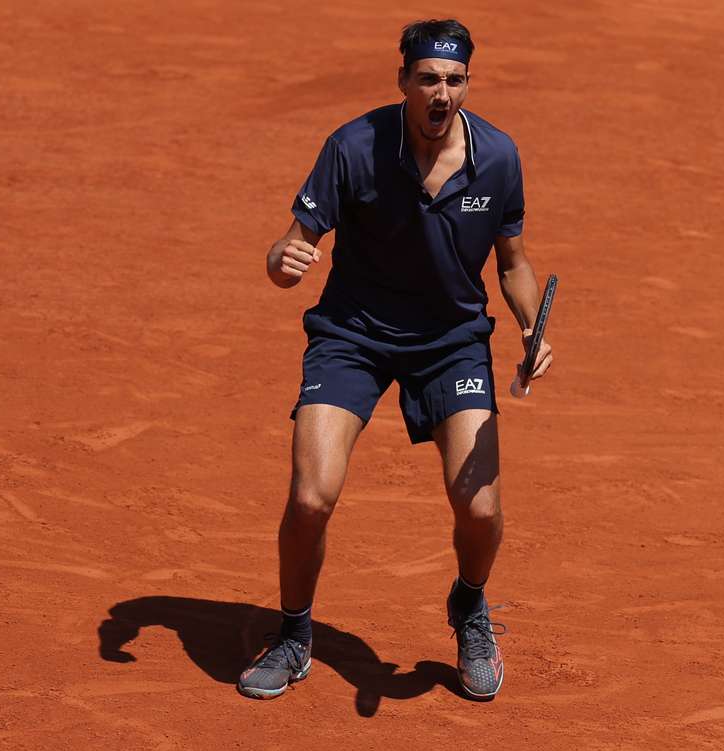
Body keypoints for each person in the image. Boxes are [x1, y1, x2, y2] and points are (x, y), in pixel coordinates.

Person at [237, 18, 553, 702]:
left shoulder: (498, 157)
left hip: (452, 341)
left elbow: (514, 263)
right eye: (429, 79)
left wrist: (532, 326)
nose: (443, 93)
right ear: (404, 81)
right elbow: (289, 247)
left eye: (455, 80)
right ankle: (293, 633)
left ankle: (469, 604)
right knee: (310, 497)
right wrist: (280, 263)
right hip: (352, 334)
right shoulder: (353, 146)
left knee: (480, 509)